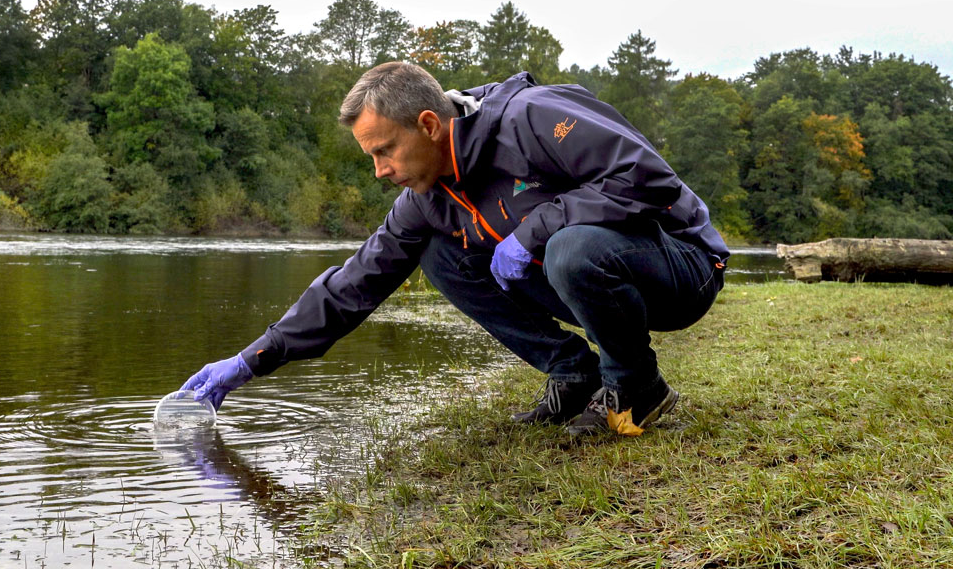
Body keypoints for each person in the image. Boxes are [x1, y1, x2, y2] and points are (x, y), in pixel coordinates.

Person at [182, 62, 728, 436]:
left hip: (683, 266)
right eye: (371, 157)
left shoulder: (532, 118)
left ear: (428, 123)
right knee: (439, 256)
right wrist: (253, 359)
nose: (380, 171)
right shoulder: (425, 198)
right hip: (595, 272)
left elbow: (649, 179)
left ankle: (637, 389)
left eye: (385, 151)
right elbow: (357, 283)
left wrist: (534, 231)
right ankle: (573, 374)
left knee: (569, 247)